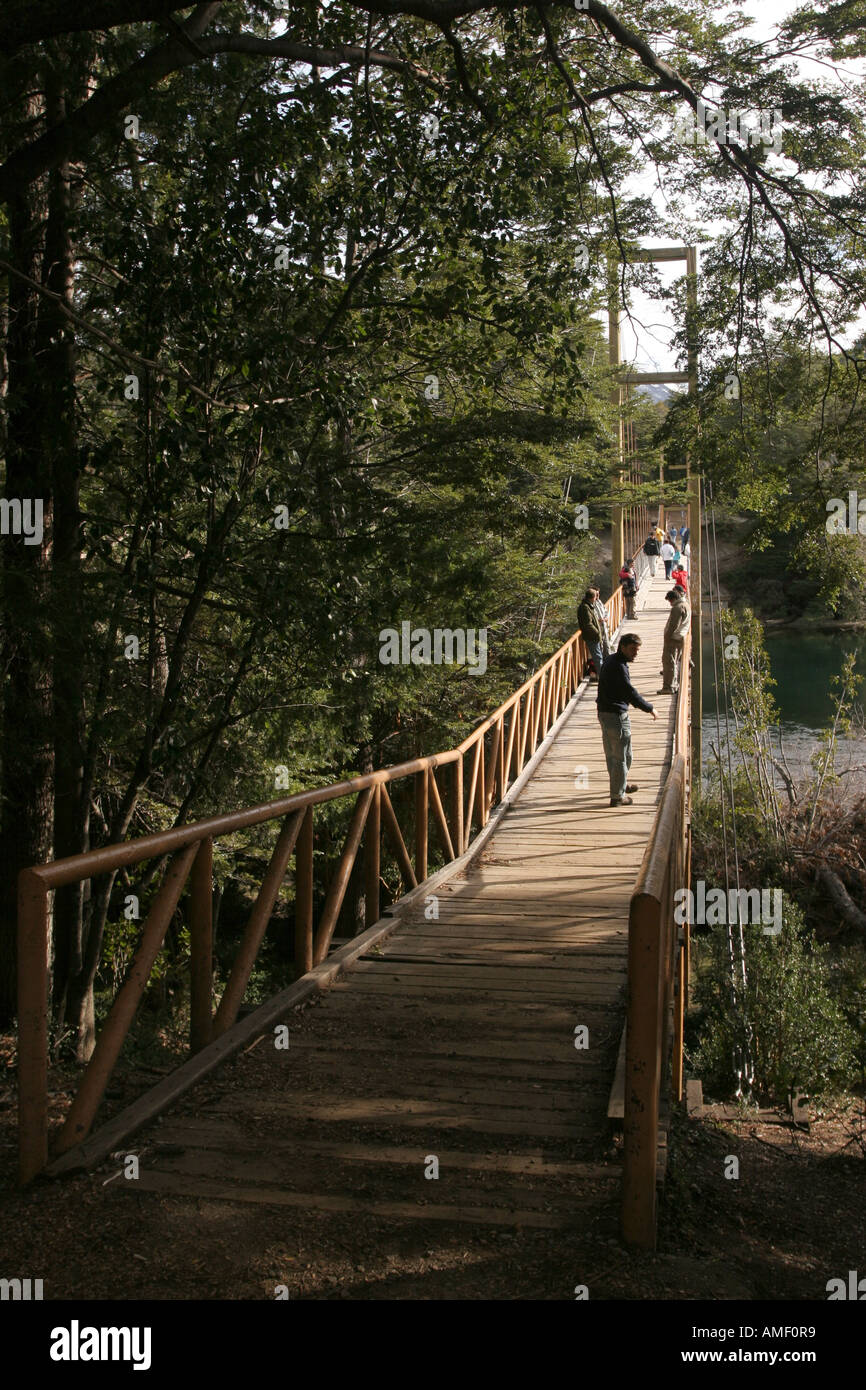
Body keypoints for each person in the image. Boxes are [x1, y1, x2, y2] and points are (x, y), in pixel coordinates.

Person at [597, 632, 658, 806]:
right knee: (621, 757)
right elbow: (629, 692)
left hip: (604, 713)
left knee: (615, 755)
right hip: (616, 716)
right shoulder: (619, 667)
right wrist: (650, 708)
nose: (635, 653)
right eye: (632, 649)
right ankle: (617, 796)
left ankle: (620, 786)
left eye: (637, 650)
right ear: (622, 647)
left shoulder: (611, 660)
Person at [659, 587, 691, 693]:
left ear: (673, 599)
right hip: (681, 637)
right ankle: (675, 684)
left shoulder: (677, 608)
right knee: (675, 662)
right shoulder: (686, 605)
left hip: (673, 638)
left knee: (669, 662)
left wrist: (667, 637)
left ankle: (668, 687)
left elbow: (673, 625)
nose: (670, 604)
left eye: (670, 601)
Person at [578, 587, 605, 681]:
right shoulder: (585, 608)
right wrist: (597, 633)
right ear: (592, 597)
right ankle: (602, 678)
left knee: (599, 657)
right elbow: (588, 624)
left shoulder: (588, 606)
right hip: (592, 637)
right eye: (595, 597)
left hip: (593, 636)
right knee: (598, 658)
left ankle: (601, 676)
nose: (596, 598)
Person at [593, 589, 612, 662]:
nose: (598, 595)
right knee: (600, 647)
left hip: (604, 626)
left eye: (598, 594)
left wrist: (606, 617)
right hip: (597, 628)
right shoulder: (591, 604)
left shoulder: (599, 602)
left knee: (606, 645)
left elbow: (605, 610)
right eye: (596, 594)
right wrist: (598, 620)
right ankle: (602, 664)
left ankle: (609, 661)